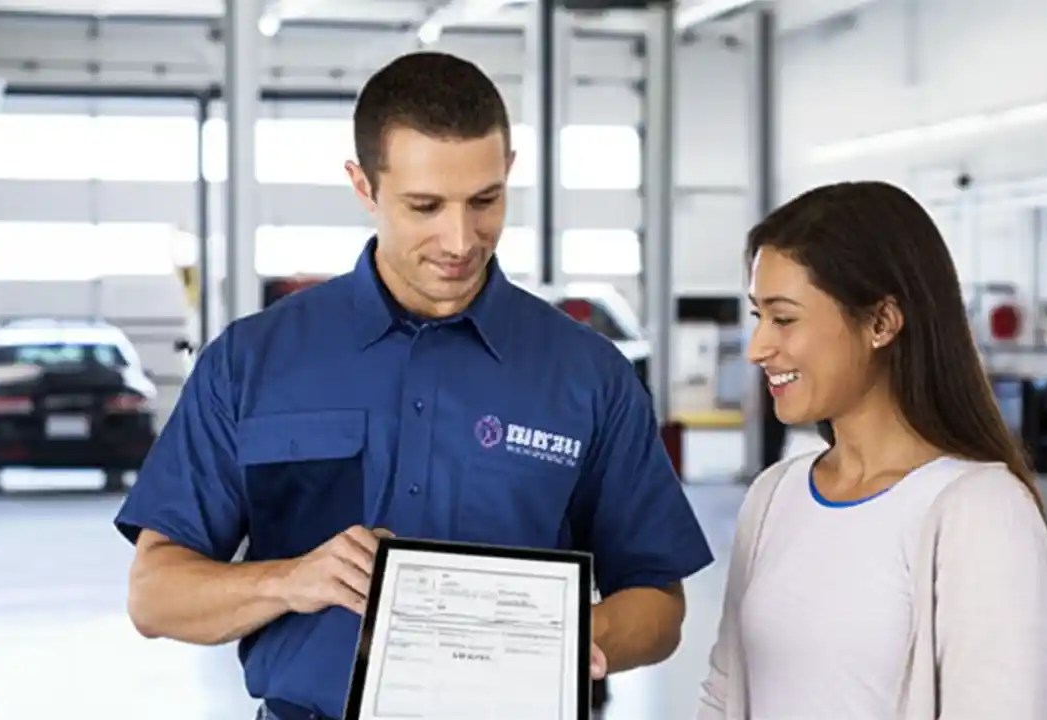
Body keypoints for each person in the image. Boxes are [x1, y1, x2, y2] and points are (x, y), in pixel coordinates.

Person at [115, 51, 714, 720]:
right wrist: (289, 580)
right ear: (363, 186)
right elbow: (154, 595)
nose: (459, 239)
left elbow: (660, 603)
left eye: (484, 201)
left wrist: (577, 640)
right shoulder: (250, 362)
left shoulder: (588, 374)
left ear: (508, 173)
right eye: (424, 206)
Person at [696, 181, 1047, 720]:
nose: (758, 348)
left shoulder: (981, 512)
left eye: (783, 318)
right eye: (758, 316)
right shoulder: (774, 496)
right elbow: (722, 694)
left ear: (881, 322)